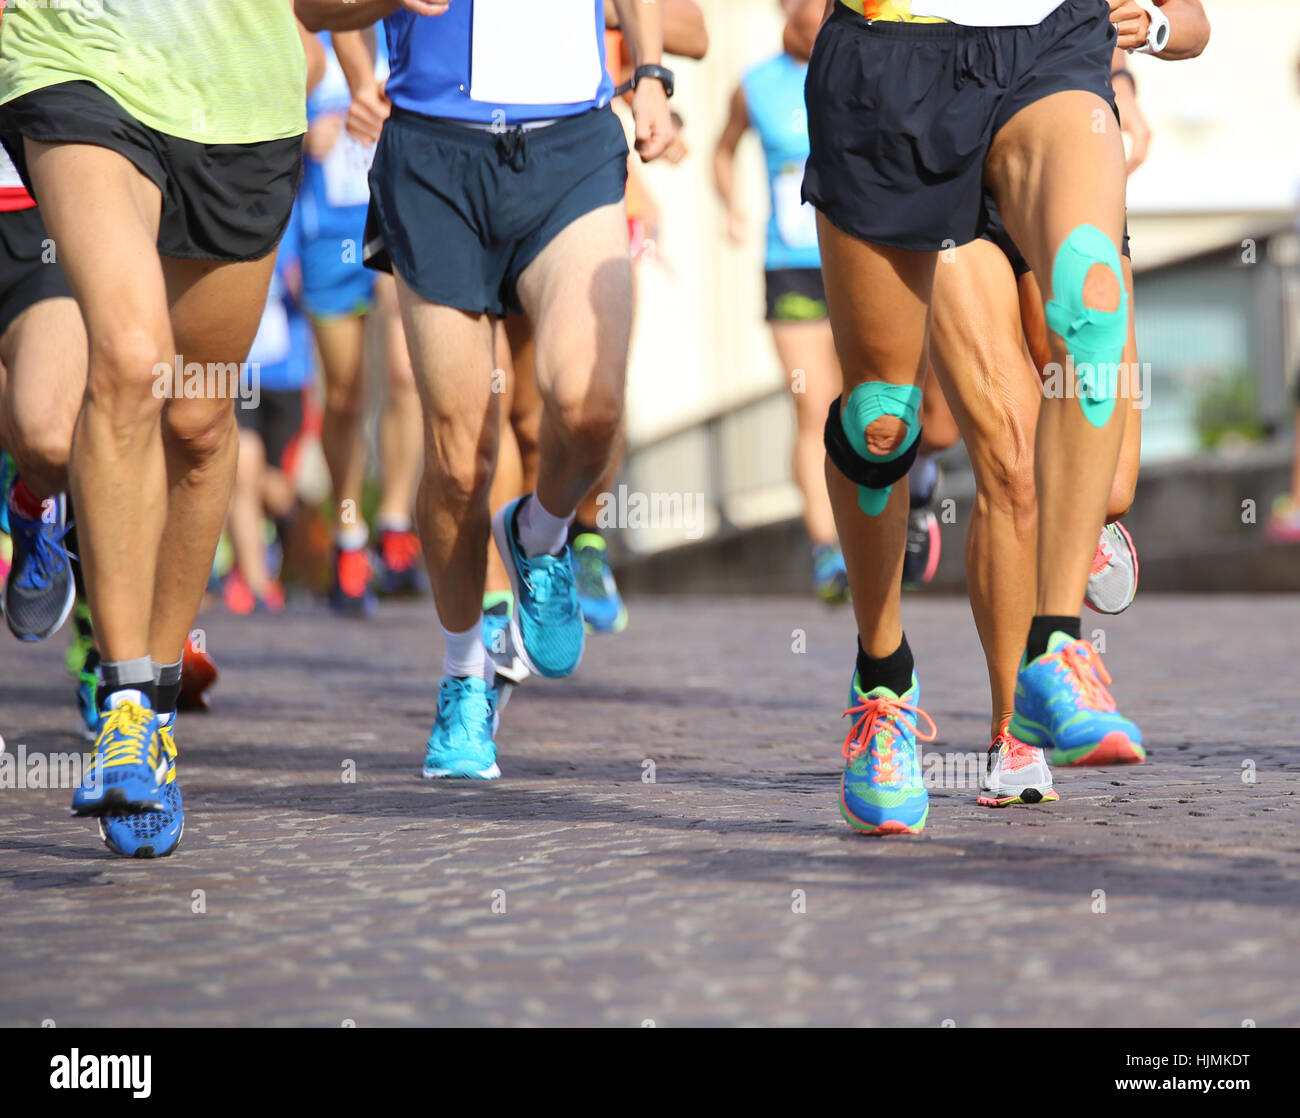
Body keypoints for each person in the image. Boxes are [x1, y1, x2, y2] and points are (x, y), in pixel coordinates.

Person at [297, 0, 673, 780]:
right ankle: (466, 673)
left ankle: (541, 533)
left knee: (592, 407)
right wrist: (371, 49)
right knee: (461, 457)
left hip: (571, 147)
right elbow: (318, 7)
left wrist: (653, 74)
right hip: (434, 156)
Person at [803, 0, 1149, 836]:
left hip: (1045, 41)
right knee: (884, 416)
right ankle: (883, 681)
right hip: (893, 59)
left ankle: (1055, 648)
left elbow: (1190, 19)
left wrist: (1149, 50)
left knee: (1091, 307)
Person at [0, 0, 309, 857]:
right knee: (131, 360)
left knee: (201, 419)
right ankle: (126, 703)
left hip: (237, 99)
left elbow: (318, 14)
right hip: (78, 57)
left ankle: (159, 708)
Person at [713, 0, 850, 603]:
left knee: (871, 402)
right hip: (790, 269)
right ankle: (826, 550)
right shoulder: (755, 85)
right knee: (813, 409)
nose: (811, 12)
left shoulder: (857, 65)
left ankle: (883, 524)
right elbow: (723, 148)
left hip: (857, 259)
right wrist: (733, 205)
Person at [299, 30, 424, 616]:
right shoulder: (307, 25)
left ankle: (396, 523)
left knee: (405, 373)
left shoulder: (410, 24)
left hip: (398, 215)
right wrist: (305, 136)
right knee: (345, 396)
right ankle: (349, 531)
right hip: (330, 235)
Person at [223, 207, 316, 616]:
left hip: (288, 372)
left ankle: (293, 550)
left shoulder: (295, 202)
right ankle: (258, 583)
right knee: (242, 468)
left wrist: (306, 282)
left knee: (277, 490)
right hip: (238, 370)